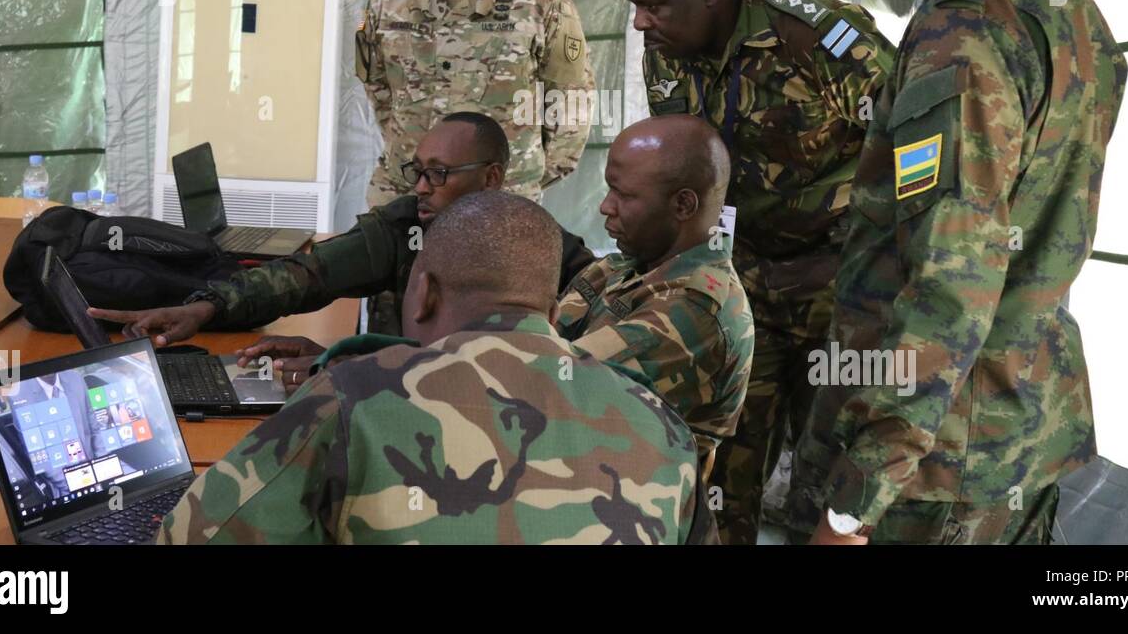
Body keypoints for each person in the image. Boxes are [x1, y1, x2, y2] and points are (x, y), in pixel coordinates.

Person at [786, 0, 1128, 545]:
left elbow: (953, 274)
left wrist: (854, 498)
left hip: (934, 464)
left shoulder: (964, 30)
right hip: (1019, 424)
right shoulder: (1069, 6)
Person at [158, 191, 713, 544]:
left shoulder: (352, 400)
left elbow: (190, 538)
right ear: (549, 311)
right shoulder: (665, 428)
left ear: (421, 294)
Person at [625, 0, 894, 543]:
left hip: (840, 286)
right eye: (636, 6)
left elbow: (920, 155)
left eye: (654, 5)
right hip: (743, 284)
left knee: (830, 478)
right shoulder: (667, 49)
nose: (640, 22)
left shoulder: (821, 39)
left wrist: (879, 270)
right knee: (721, 469)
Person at [89, 113, 595, 391]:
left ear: (491, 178)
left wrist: (352, 362)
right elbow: (306, 275)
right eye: (416, 171)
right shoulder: (404, 230)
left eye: (438, 174)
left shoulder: (544, 248)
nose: (420, 186)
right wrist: (204, 307)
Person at [355, 0, 595, 207]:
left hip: (498, 201)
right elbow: (378, 91)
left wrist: (522, 177)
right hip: (407, 195)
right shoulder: (386, 3)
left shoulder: (541, 4)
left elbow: (571, 103)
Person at [557, 115, 753, 477]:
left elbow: (550, 384)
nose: (605, 206)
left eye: (624, 195)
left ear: (683, 206)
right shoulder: (623, 265)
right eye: (609, 189)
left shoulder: (694, 311)